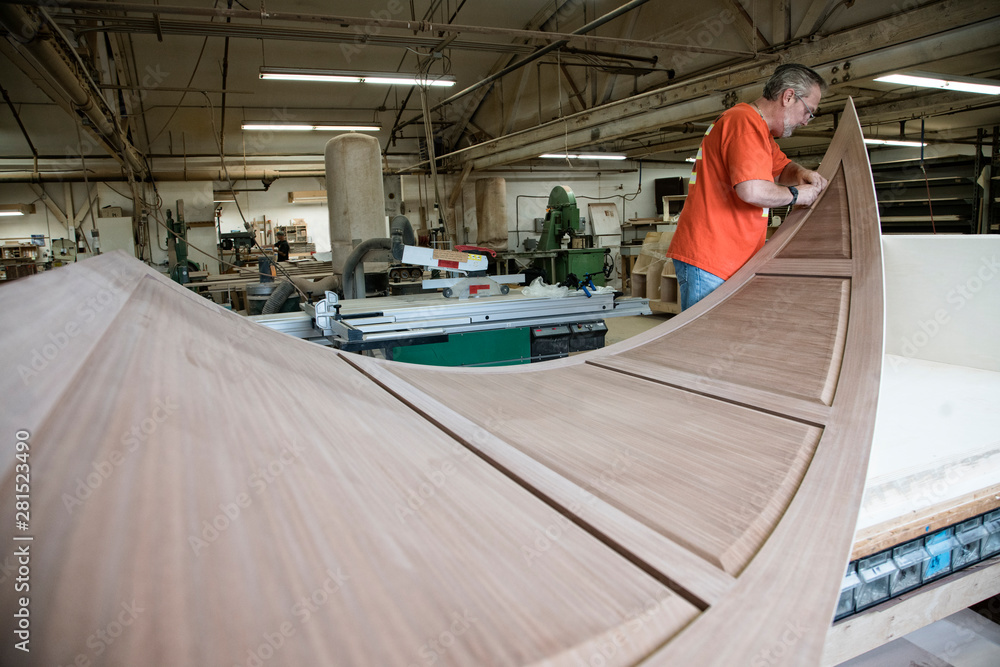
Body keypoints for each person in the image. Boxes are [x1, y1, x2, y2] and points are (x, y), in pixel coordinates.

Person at [667, 63, 830, 311]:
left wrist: (803, 173)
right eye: (808, 111)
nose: (806, 122)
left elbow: (783, 168)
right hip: (713, 258)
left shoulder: (760, 133)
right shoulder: (743, 122)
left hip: (729, 259)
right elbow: (751, 190)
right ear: (788, 97)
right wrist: (797, 195)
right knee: (707, 344)